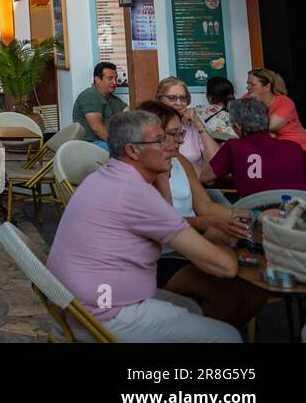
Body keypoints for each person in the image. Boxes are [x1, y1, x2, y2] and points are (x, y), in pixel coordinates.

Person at [45, 108, 242, 342]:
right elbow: (225, 268)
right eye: (160, 141)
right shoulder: (136, 194)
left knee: (191, 309)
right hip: (102, 316)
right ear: (133, 150)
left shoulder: (106, 176)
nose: (170, 146)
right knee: (227, 336)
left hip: (73, 305)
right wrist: (224, 238)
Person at [142, 100, 265, 330]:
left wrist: (247, 215)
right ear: (154, 134)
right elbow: (165, 224)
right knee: (227, 297)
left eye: (181, 133)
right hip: (163, 255)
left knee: (257, 293)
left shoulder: (180, 161)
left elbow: (206, 205)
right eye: (173, 134)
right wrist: (212, 225)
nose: (180, 140)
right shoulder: (148, 170)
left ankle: (220, 332)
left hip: (193, 242)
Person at [198, 97, 306, 199]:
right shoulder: (294, 147)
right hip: (297, 212)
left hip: (254, 211)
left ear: (238, 127)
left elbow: (206, 178)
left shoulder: (234, 146)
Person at [155, 77, 215, 184]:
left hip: (196, 183)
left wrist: (199, 125)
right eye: (172, 98)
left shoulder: (192, 124)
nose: (178, 103)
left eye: (183, 98)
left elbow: (217, 162)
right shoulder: (151, 126)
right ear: (159, 99)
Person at [245, 68, 306, 151]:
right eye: (248, 84)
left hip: (297, 148)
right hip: (273, 147)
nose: (247, 87)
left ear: (267, 87)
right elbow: (235, 116)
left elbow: (270, 125)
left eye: (252, 84)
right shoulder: (249, 96)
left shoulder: (285, 102)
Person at [72, 61, 125, 150]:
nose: (115, 82)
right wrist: (120, 145)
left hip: (103, 142)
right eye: (110, 78)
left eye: (116, 78)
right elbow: (98, 129)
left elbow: (132, 116)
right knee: (127, 152)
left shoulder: (113, 99)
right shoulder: (90, 95)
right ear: (97, 79)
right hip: (90, 145)